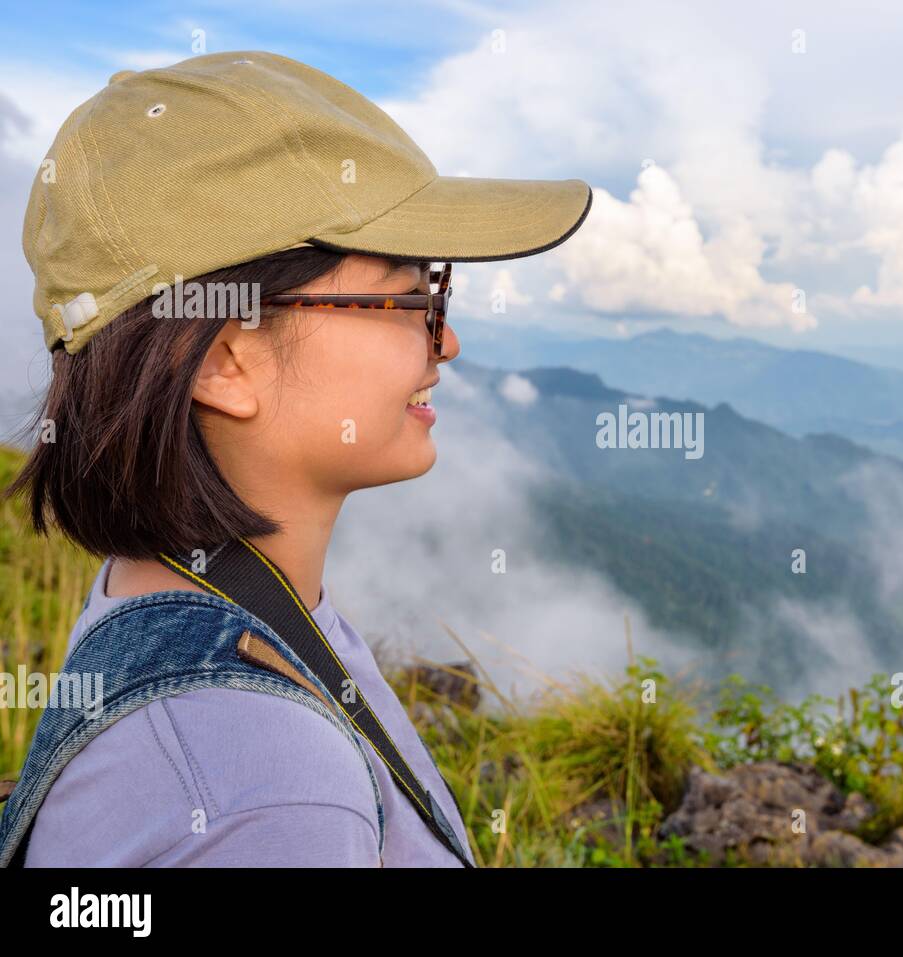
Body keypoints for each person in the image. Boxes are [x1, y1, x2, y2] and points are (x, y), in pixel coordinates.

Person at [0, 50, 592, 866]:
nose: (446, 340)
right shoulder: (271, 787)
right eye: (411, 296)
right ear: (222, 361)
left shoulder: (176, 599)